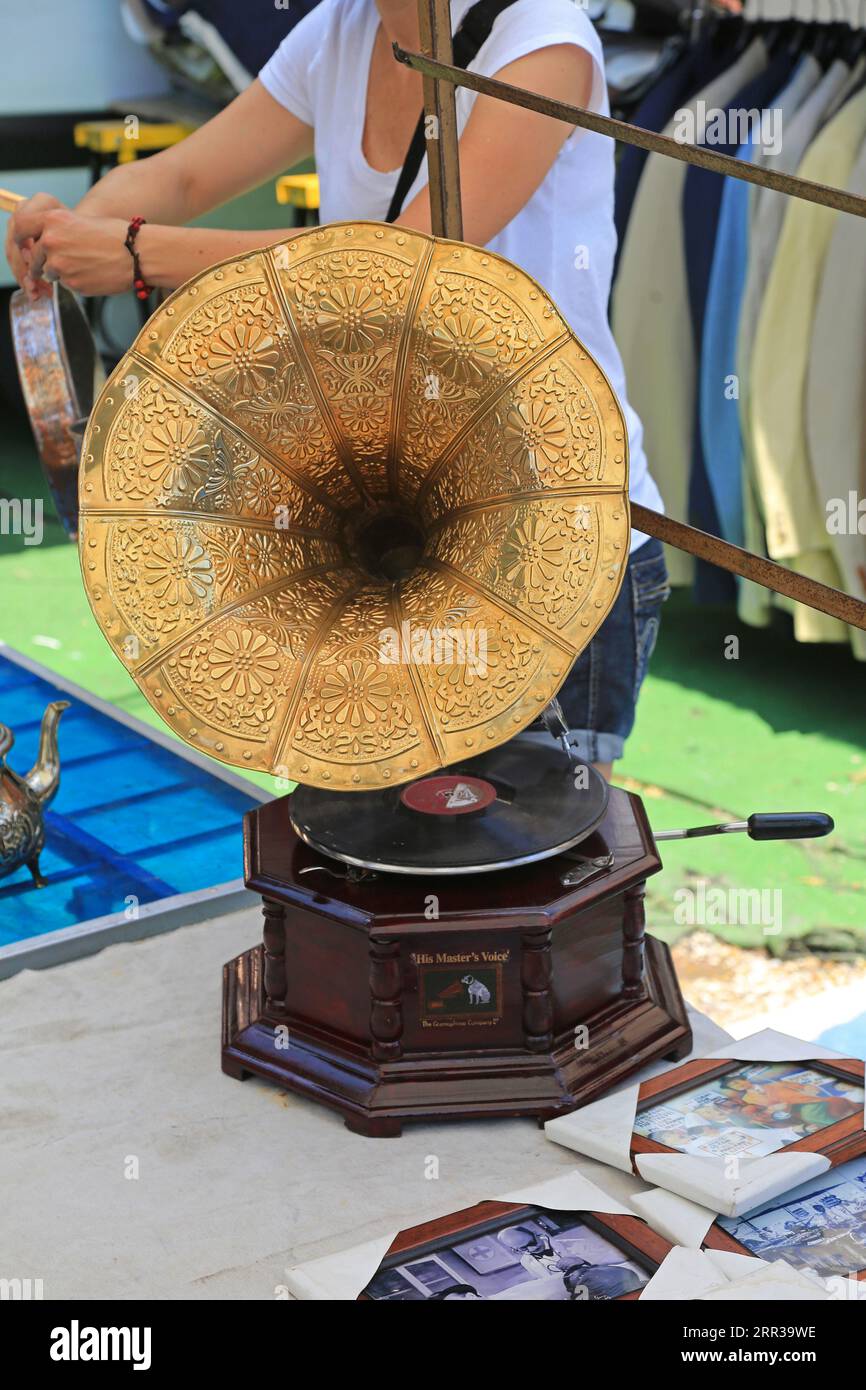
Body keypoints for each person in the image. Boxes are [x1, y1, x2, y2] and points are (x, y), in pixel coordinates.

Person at [5, 0, 668, 778]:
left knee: (524, 864)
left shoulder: (543, 42)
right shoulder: (343, 28)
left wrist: (140, 253)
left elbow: (407, 261)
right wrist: (75, 225)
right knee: (376, 843)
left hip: (549, 531)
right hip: (389, 506)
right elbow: (182, 174)